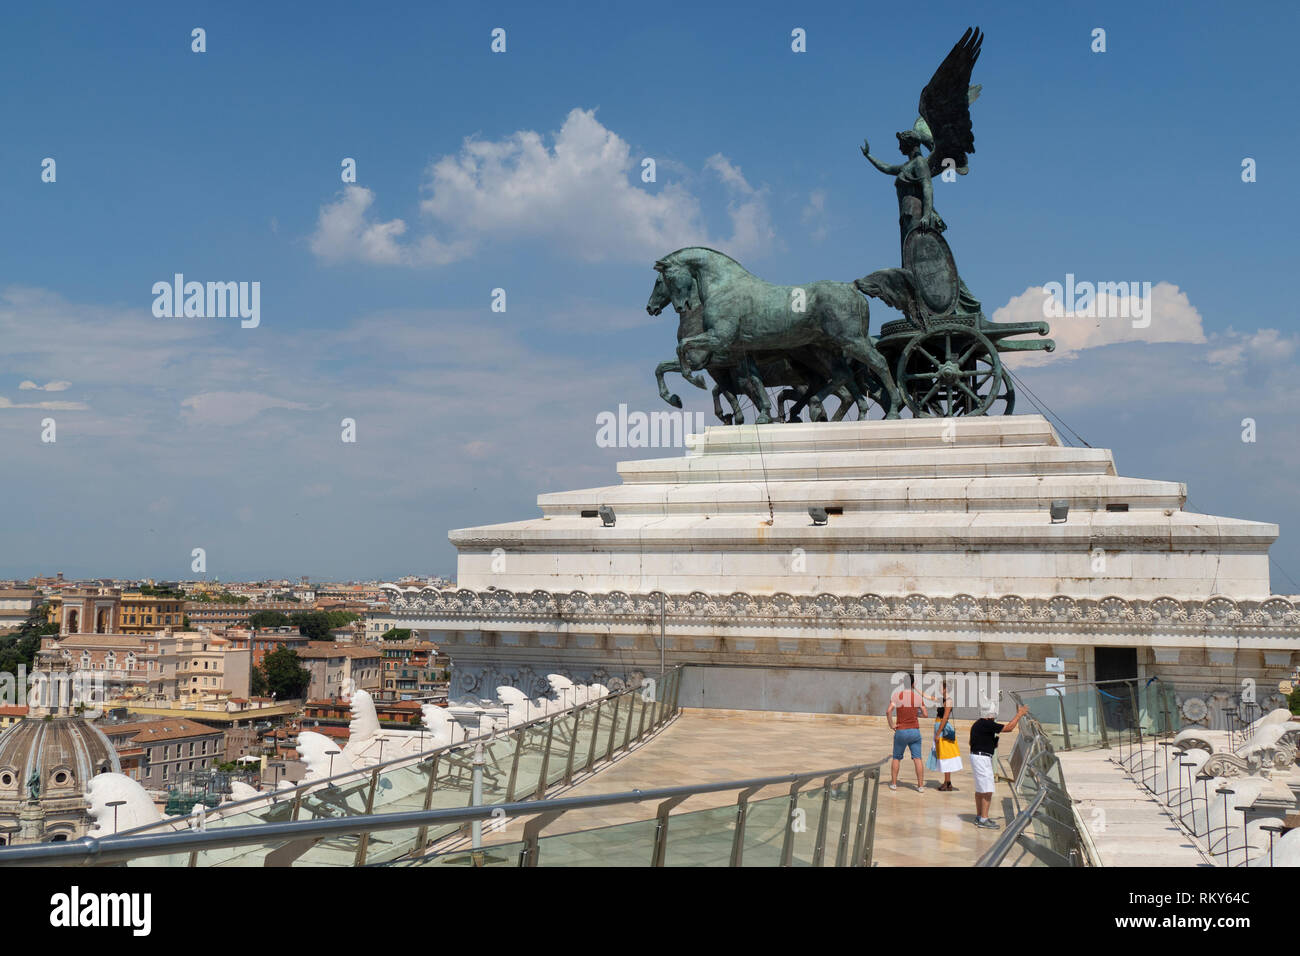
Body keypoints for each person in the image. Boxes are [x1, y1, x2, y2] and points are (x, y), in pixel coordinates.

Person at [968, 701, 1028, 828]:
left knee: (980, 788)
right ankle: (984, 819)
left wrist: (990, 742)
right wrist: (1019, 714)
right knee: (987, 789)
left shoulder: (977, 724)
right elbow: (1009, 728)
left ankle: (979, 816)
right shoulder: (987, 724)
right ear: (991, 714)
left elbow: (971, 742)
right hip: (982, 758)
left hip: (976, 756)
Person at [887, 673, 928, 791]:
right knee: (917, 758)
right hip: (914, 731)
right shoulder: (918, 697)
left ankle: (894, 784)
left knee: (896, 757)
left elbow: (888, 711)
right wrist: (916, 713)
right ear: (913, 684)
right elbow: (925, 714)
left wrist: (891, 725)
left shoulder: (896, 696)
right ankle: (920, 786)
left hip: (901, 730)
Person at [925, 680, 963, 791]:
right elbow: (929, 697)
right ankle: (948, 782)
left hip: (942, 730)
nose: (939, 689)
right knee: (943, 755)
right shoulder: (943, 699)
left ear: (946, 689)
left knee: (946, 756)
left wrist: (938, 734)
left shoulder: (949, 701)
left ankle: (947, 783)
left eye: (941, 687)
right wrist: (916, 688)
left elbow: (945, 718)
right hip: (939, 728)